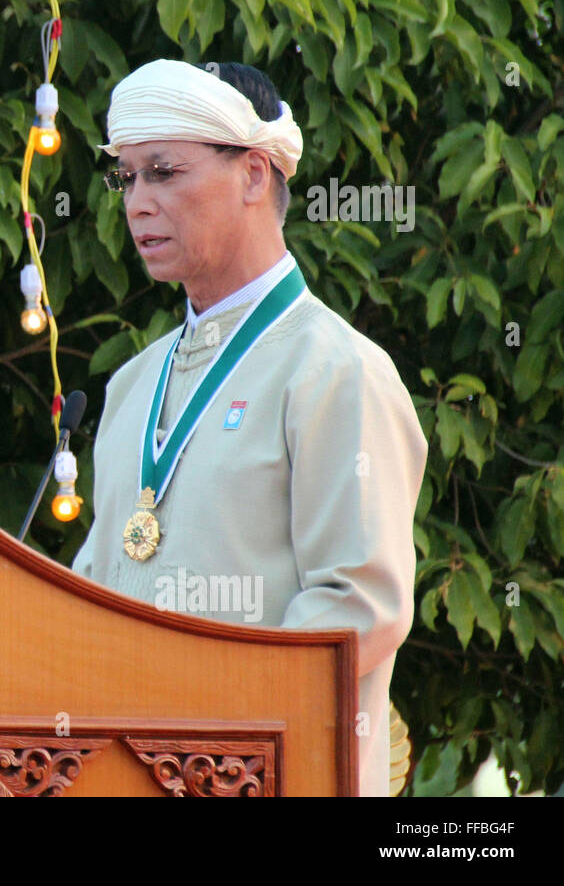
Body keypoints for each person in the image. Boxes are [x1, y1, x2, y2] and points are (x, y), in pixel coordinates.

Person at [71, 58, 428, 797]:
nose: (138, 201)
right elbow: (92, 593)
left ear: (256, 174)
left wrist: (185, 720)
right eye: (127, 177)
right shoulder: (133, 385)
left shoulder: (337, 370)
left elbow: (358, 604)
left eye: (164, 171)